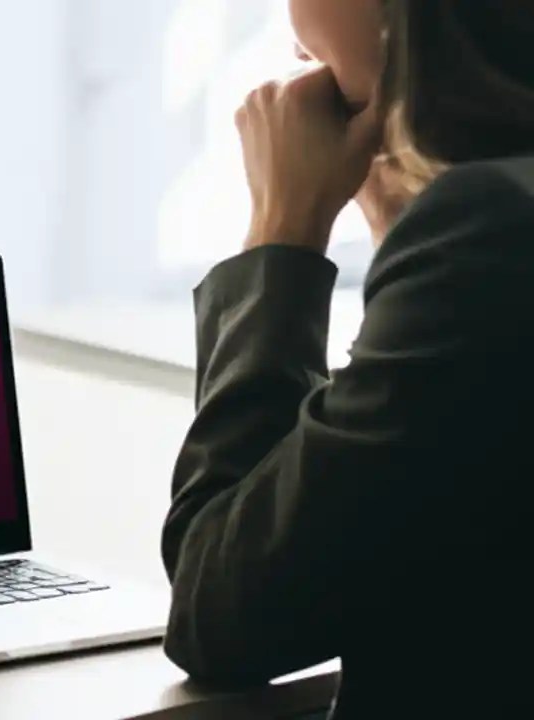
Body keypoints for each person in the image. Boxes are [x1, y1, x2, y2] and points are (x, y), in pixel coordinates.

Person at [161, 1, 534, 717]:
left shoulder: (488, 236)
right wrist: (410, 225)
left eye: (330, 79)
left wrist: (282, 233)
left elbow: (221, 610)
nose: (305, 86)